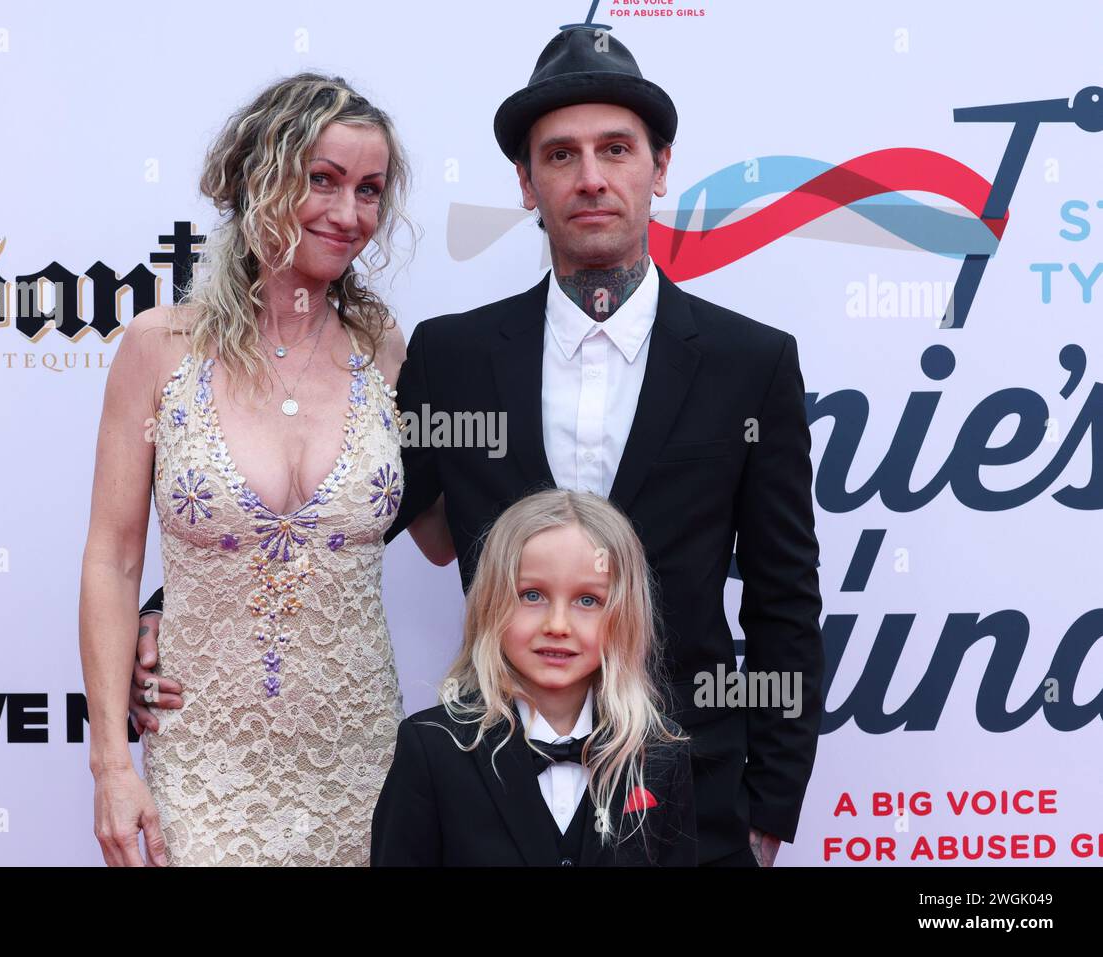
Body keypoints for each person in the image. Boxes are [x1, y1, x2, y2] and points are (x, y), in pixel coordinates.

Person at [135, 25, 824, 867]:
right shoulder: (455, 358)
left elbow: (785, 602)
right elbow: (354, 507)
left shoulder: (750, 363)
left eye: (616, 149)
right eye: (561, 156)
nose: (592, 177)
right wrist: (171, 603)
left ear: (660, 167)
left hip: (688, 795)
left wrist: (770, 808)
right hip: (491, 805)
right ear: (527, 184)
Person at [79, 72, 453, 867]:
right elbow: (113, 559)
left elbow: (446, 538)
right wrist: (111, 762)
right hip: (203, 765)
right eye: (322, 179)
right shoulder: (159, 347)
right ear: (259, 179)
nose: (348, 213)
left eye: (369, 189)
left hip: (361, 758)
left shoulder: (384, 349)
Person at [370, 489, 696, 866]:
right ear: (491, 604)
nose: (557, 625)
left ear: (624, 617)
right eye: (531, 595)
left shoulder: (659, 754)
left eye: (587, 600)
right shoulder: (432, 749)